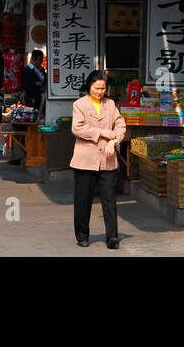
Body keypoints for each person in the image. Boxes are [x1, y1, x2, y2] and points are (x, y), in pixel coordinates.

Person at [70, 70, 125, 249]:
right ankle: (82, 235)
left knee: (109, 199)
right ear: (89, 86)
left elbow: (120, 125)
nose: (99, 91)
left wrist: (115, 140)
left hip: (107, 160)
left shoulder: (110, 104)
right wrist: (101, 132)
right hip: (85, 159)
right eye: (96, 88)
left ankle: (112, 236)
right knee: (83, 200)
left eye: (102, 88)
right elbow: (77, 128)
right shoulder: (79, 104)